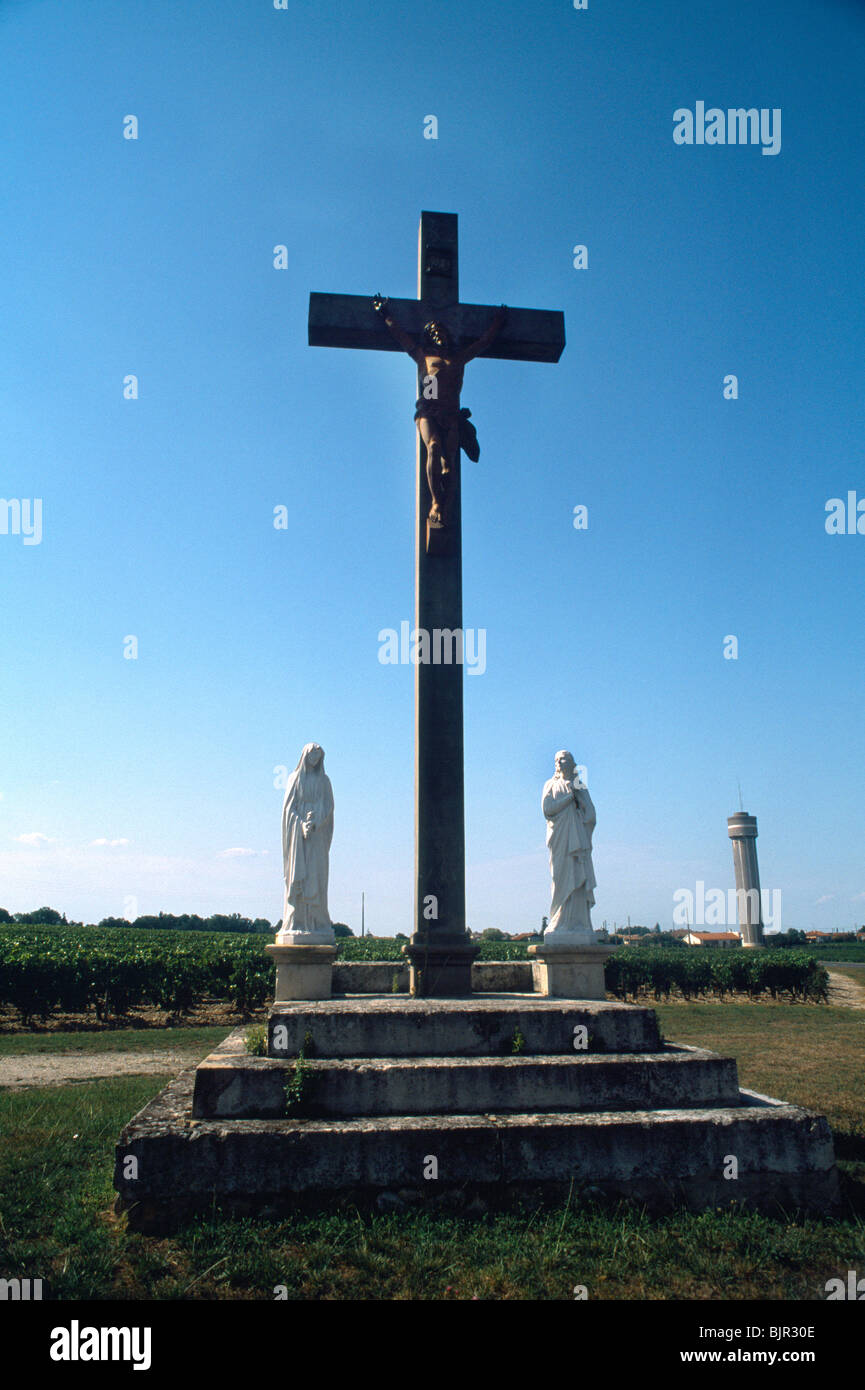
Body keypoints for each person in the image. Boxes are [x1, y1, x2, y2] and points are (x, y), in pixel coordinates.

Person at [373, 294, 506, 526]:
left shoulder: (458, 358)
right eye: (434, 333)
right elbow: (400, 336)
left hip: (451, 413)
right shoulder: (423, 356)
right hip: (428, 409)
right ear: (428, 336)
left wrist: (498, 323)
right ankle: (436, 502)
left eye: (442, 332)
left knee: (450, 465)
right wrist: (386, 315)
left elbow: (483, 343)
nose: (439, 336)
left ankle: (445, 509)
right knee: (433, 446)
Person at [279, 743, 334, 940]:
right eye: (311, 756)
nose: (314, 760)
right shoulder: (294, 778)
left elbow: (329, 806)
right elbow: (288, 809)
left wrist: (317, 821)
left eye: (317, 757)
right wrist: (301, 824)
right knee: (299, 875)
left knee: (316, 876)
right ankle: (297, 920)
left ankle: (317, 921)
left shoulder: (324, 781)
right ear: (304, 756)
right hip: (298, 838)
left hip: (317, 835)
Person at [542, 750, 596, 939]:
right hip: (558, 838)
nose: (559, 762)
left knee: (577, 877)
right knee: (559, 877)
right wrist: (568, 799)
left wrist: (582, 818)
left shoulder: (578, 786)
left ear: (571, 763)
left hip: (576, 838)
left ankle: (577, 923)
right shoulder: (550, 785)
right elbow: (547, 809)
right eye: (556, 759)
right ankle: (558, 919)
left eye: (563, 759)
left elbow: (591, 814)